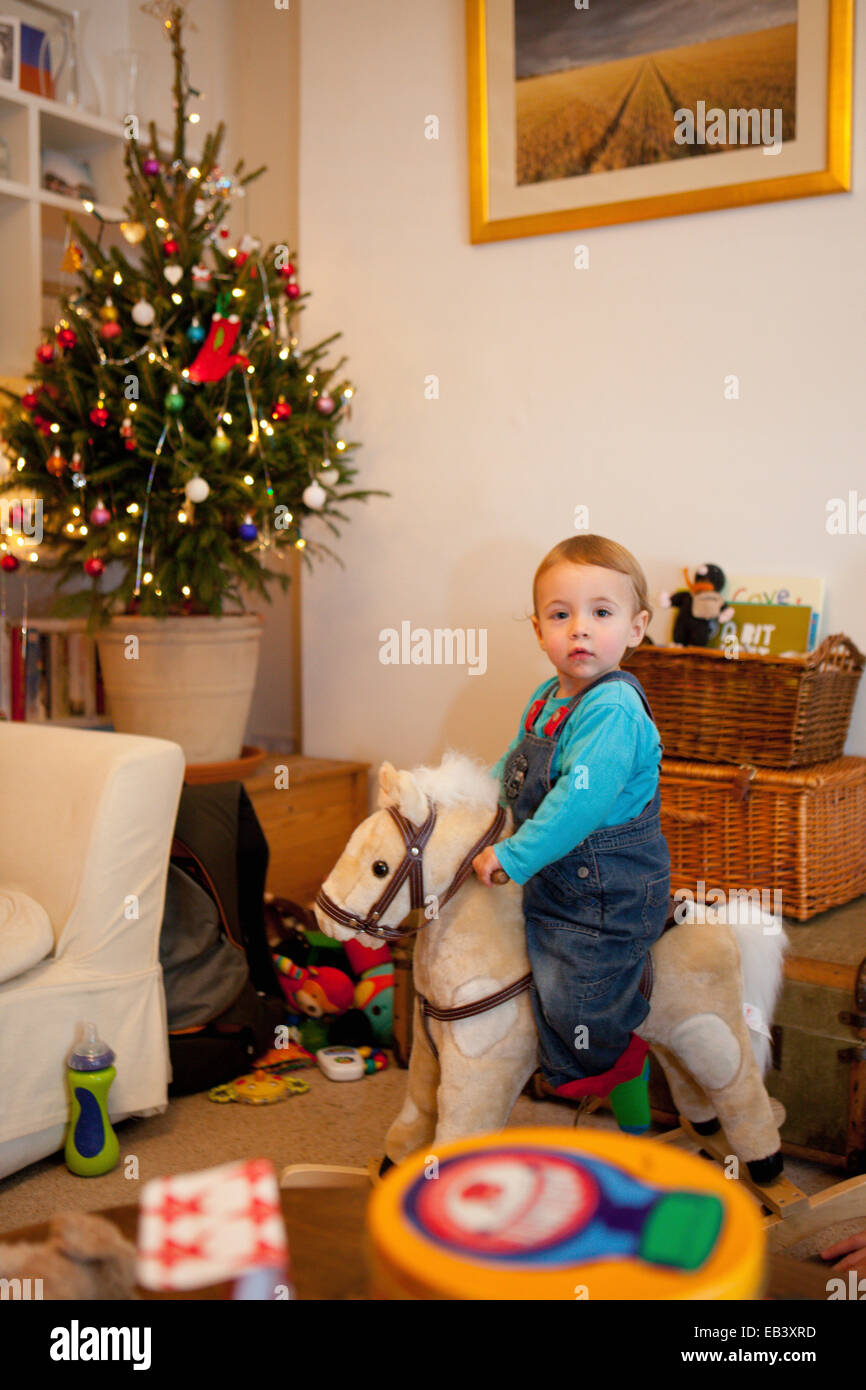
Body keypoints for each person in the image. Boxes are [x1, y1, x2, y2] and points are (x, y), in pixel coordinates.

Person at [472, 534, 671, 1100]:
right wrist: (468, 804)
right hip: (556, 870)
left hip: (607, 888)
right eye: (561, 615)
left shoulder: (612, 710)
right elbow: (513, 767)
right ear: (538, 630)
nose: (579, 628)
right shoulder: (546, 697)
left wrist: (512, 854)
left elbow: (576, 804)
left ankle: (603, 1058)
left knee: (569, 976)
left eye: (601, 612)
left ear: (635, 629)